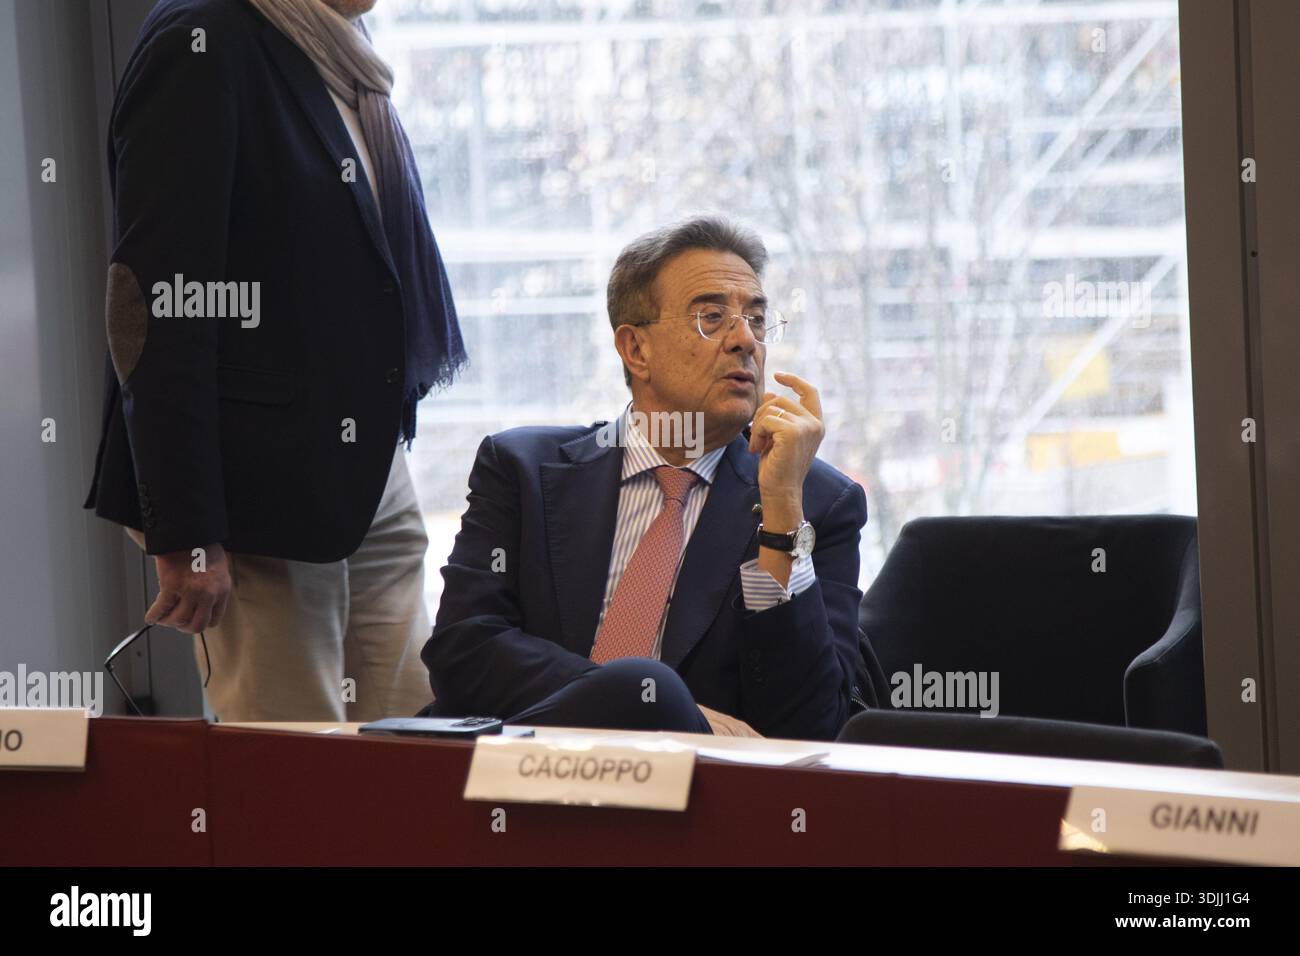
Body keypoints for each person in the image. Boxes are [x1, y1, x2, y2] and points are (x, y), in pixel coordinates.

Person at [83, 0, 467, 721]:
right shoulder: (204, 42)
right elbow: (154, 303)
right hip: (251, 489)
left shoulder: (338, 48)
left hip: (366, 466)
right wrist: (189, 528)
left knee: (415, 739)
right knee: (295, 759)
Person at [421, 217, 868, 741]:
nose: (745, 340)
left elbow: (809, 727)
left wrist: (782, 516)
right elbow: (463, 649)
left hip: (706, 803)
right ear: (635, 350)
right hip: (521, 777)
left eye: (756, 319)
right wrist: (655, 709)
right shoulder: (522, 469)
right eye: (712, 316)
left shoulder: (815, 501)